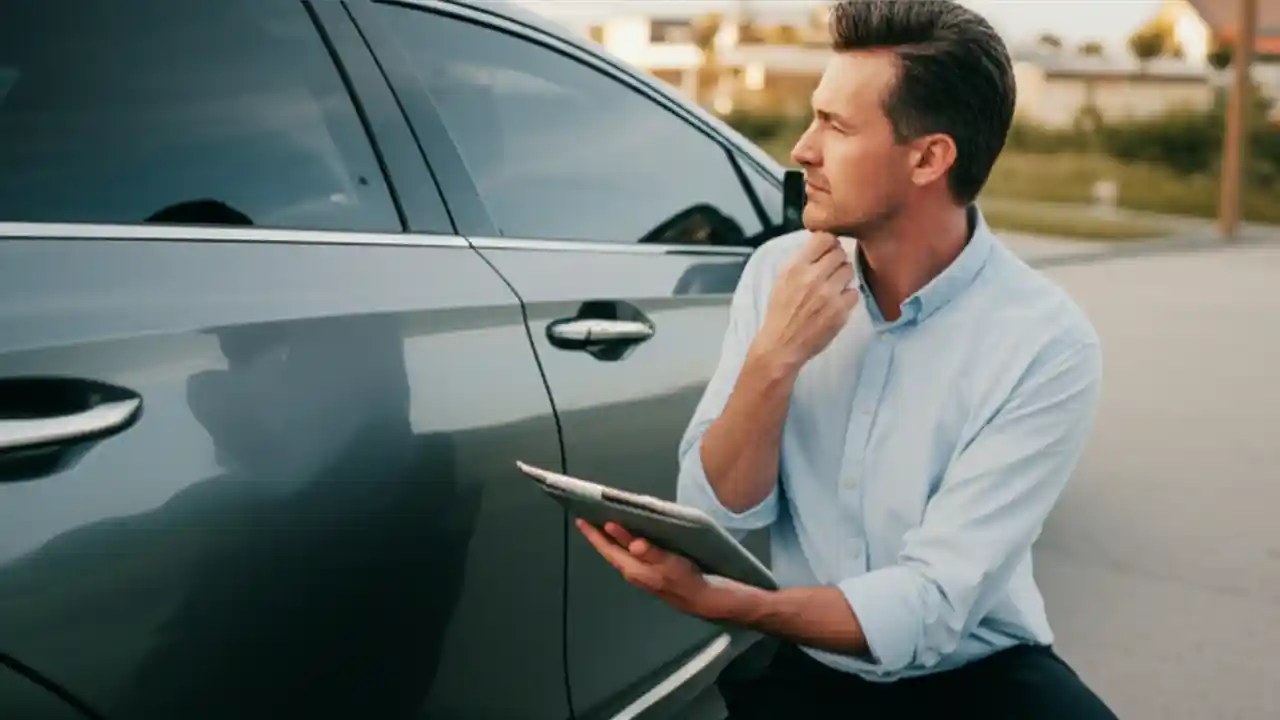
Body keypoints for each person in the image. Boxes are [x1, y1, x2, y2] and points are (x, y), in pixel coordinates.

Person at [574, 1, 1117, 717]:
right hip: (804, 668)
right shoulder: (778, 274)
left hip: (976, 678)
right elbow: (715, 511)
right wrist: (774, 357)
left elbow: (929, 605)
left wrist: (729, 602)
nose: (802, 149)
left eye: (835, 125)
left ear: (929, 157)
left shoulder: (1046, 344)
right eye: (813, 117)